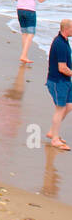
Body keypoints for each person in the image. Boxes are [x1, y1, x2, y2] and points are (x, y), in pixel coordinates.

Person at [15, 0, 51, 66]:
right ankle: (23, 55)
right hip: (30, 10)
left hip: (20, 9)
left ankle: (24, 54)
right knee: (31, 34)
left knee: (24, 33)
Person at [46, 20, 72, 151]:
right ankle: (55, 139)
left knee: (69, 106)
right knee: (60, 108)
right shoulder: (60, 43)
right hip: (58, 81)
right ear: (66, 29)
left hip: (65, 81)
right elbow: (62, 68)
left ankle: (52, 131)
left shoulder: (64, 41)